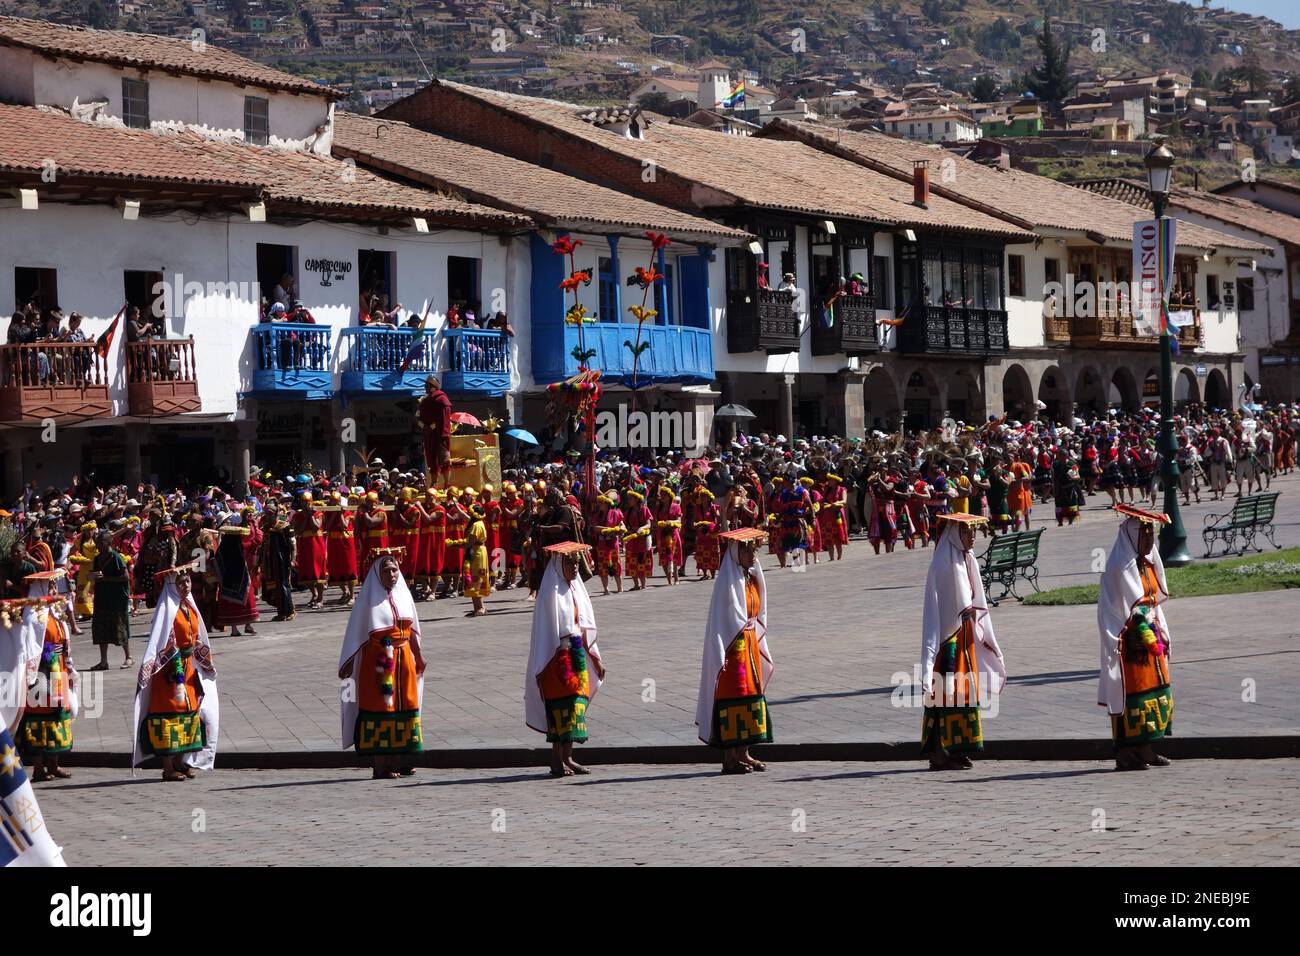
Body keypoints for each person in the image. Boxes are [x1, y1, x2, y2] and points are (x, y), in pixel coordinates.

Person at [919, 513, 1006, 771]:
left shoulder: (967, 559)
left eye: (973, 532)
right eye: (967, 532)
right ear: (955, 534)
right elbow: (939, 607)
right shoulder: (943, 562)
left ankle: (958, 749)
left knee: (964, 694)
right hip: (949, 640)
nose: (972, 537)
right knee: (945, 695)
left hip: (964, 638)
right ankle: (940, 752)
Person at [1097, 505, 1174, 772]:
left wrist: (1160, 631)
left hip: (1149, 640)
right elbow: (1125, 607)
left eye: (1151, 534)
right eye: (1144, 534)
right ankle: (1126, 752)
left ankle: (1146, 747)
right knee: (1132, 695)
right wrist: (1141, 632)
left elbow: (1153, 603)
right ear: (1131, 535)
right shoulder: (1120, 565)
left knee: (1152, 692)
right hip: (1129, 643)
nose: (1149, 539)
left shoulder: (1147, 562)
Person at [338, 551, 425, 780]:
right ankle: (380, 765)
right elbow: (355, 634)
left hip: (403, 658)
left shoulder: (404, 595)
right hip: (379, 662)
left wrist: (419, 656)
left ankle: (403, 759)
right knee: (382, 708)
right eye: (386, 571)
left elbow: (412, 630)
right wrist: (347, 663)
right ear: (377, 574)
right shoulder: (367, 601)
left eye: (394, 569)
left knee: (406, 705)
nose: (391, 574)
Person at [696, 527, 773, 775]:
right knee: (733, 697)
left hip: (748, 644)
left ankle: (744, 752)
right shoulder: (726, 583)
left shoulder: (750, 578)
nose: (752, 554)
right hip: (732, 650)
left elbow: (756, 610)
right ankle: (729, 757)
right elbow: (724, 621)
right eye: (746, 549)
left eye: (754, 549)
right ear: (735, 552)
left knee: (751, 695)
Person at [524, 541, 605, 777]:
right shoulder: (552, 592)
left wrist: (595, 658)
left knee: (575, 706)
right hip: (557, 660)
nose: (576, 568)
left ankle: (567, 757)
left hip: (576, 654)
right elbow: (548, 633)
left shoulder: (573, 590)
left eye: (578, 563)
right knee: (561, 707)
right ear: (559, 564)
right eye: (571, 563)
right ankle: (557, 759)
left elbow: (582, 626)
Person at [131, 566, 219, 782]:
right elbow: (162, 641)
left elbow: (196, 637)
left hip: (188, 670)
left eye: (188, 581)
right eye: (180, 583)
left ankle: (181, 761)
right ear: (172, 586)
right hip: (170, 672)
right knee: (171, 715)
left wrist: (203, 660)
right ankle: (168, 767)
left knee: (191, 713)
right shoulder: (166, 610)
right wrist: (176, 664)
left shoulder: (189, 607)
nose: (185, 586)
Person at [14, 571, 77, 781]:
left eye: (54, 587)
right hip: (42, 673)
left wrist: (69, 668)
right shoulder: (34, 615)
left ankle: (54, 765)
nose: (54, 590)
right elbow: (30, 645)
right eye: (50, 587)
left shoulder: (55, 612)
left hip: (58, 669)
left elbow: (64, 642)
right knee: (40, 718)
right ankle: (39, 767)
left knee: (56, 715)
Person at [89, 530, 132, 670]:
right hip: (102, 597)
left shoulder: (116, 557)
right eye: (97, 543)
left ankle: (128, 657)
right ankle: (103, 661)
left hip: (117, 598)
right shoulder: (97, 558)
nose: (98, 546)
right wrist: (92, 577)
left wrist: (106, 579)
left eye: (100, 543)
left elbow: (126, 577)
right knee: (101, 627)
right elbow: (95, 574)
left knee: (120, 627)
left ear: (108, 543)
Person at [213, 520, 258, 637]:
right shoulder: (241, 546)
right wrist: (254, 527)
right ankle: (248, 625)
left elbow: (217, 561)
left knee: (230, 603)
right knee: (247, 601)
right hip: (241, 577)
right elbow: (256, 542)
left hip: (227, 580)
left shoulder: (222, 549)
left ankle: (234, 628)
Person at [418, 376, 453, 488]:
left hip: (440, 435)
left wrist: (430, 428)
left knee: (444, 459)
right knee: (432, 460)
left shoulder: (441, 399)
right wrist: (424, 427)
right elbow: (417, 418)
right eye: (425, 386)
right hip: (429, 435)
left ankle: (447, 483)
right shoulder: (424, 401)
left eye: (428, 386)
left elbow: (441, 419)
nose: (426, 388)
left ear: (434, 387)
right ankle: (434, 483)